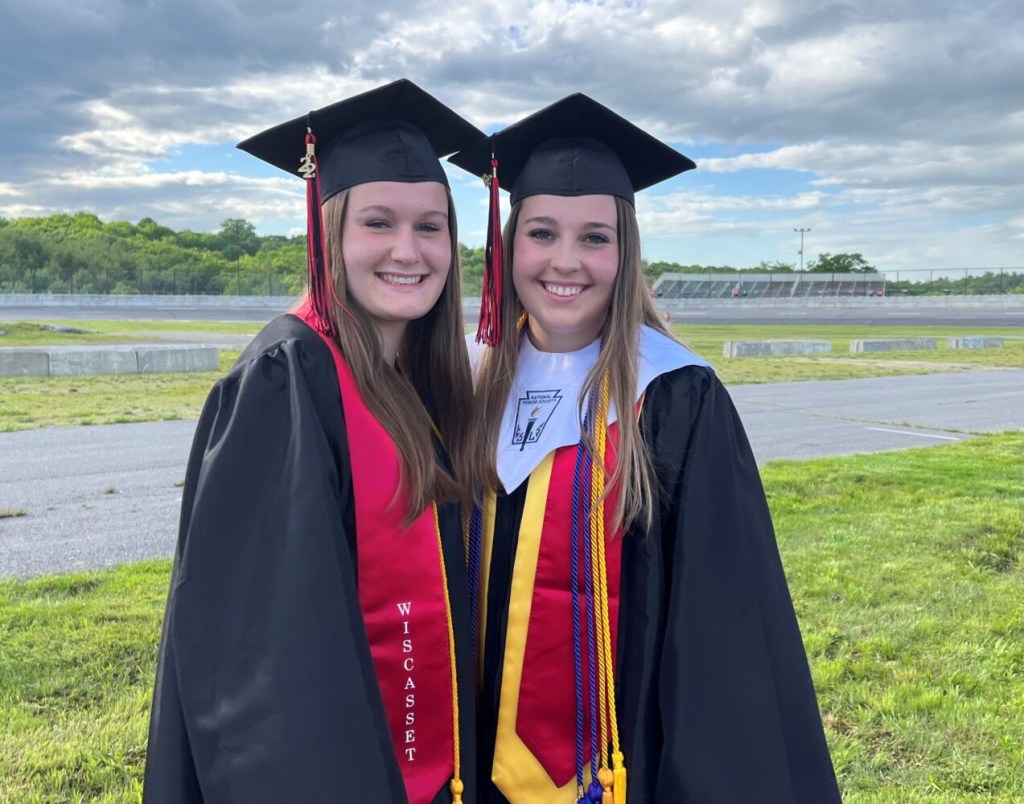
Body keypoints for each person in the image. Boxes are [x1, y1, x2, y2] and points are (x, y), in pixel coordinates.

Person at [450, 95, 841, 803]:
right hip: (467, 763)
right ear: (509, 245)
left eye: (595, 238)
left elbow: (722, 633)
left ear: (625, 251)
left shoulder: (675, 397)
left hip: (619, 766)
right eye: (542, 233)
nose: (566, 261)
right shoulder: (470, 384)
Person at [143, 79, 482, 804]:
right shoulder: (285, 379)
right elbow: (265, 670)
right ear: (328, 232)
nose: (408, 250)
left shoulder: (417, 384)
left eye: (431, 226)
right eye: (378, 223)